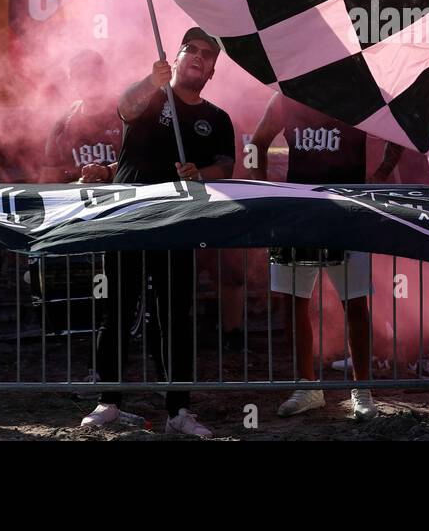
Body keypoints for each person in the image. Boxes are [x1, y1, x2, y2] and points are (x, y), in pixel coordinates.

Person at [81, 28, 235, 437]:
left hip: (176, 223)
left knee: (174, 317)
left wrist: (200, 173)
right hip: (128, 217)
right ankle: (109, 401)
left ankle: (179, 410)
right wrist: (152, 80)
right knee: (116, 310)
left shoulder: (217, 119)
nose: (198, 57)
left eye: (207, 54)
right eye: (192, 50)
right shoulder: (150, 96)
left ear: (213, 71)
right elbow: (124, 110)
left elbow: (227, 166)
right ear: (178, 55)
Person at [251, 93, 378, 421]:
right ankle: (307, 386)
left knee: (356, 302)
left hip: (347, 212)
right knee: (294, 302)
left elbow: (398, 134)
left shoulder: (358, 95)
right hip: (298, 214)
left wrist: (380, 176)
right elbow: (257, 142)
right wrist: (261, 193)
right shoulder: (286, 97)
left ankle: (362, 390)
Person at [43, 48, 122, 184]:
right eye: (81, 75)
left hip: (123, 201)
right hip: (81, 202)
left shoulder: (126, 113)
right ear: (72, 82)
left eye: (94, 73)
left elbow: (142, 163)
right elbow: (49, 180)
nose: (89, 80)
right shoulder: (63, 124)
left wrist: (106, 172)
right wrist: (76, 186)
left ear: (105, 76)